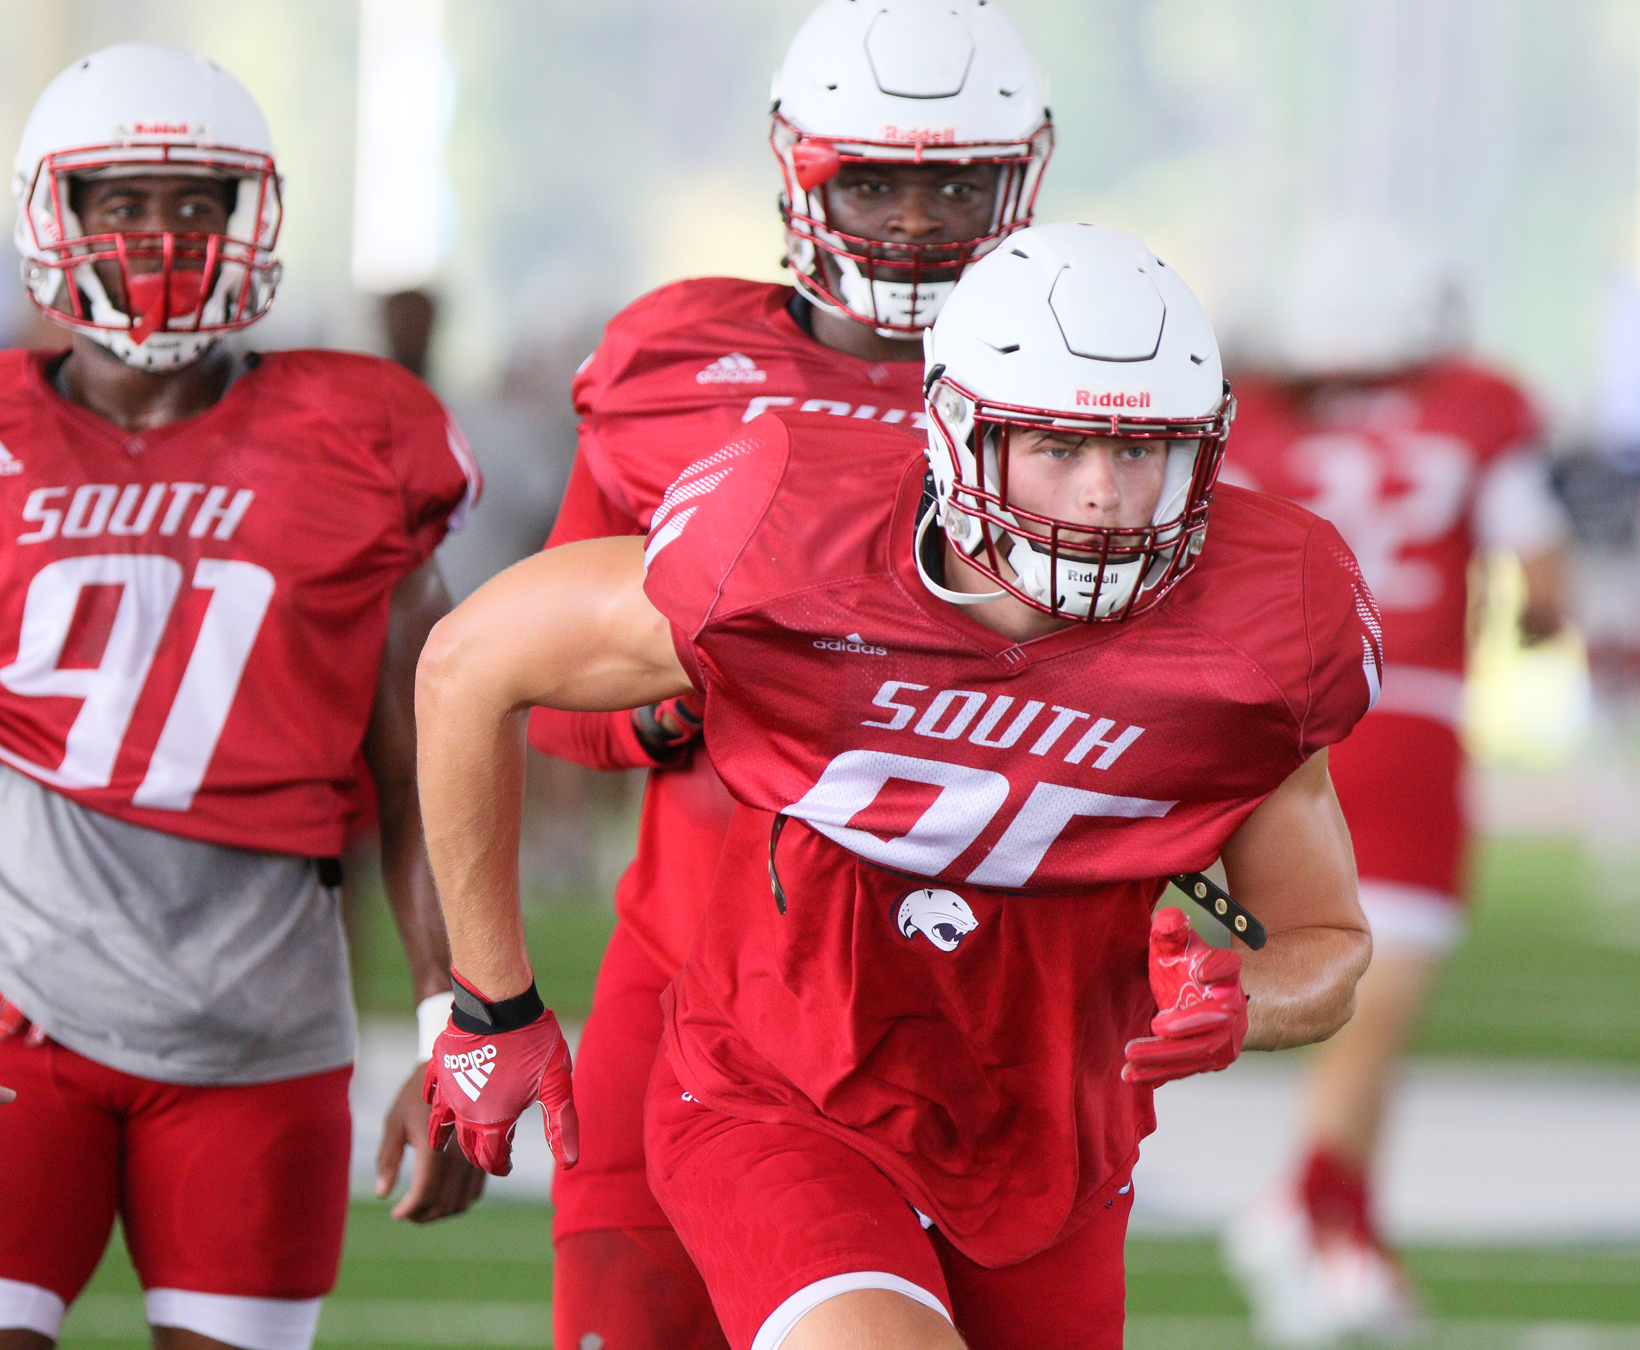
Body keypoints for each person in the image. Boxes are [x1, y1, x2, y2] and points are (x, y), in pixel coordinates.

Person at [417, 222, 1380, 1350]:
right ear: (960, 432)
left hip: (1051, 1145)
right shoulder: (794, 548)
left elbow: (1325, 939)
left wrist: (1239, 1000)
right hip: (780, 1092)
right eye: (1058, 447)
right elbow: (468, 662)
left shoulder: (1263, 627)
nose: (1109, 496)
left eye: (1142, 452)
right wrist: (491, 1002)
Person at [521, 4, 1054, 1345]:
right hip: (691, 969)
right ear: (802, 166)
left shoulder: (1087, 393)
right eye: (876, 178)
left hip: (976, 1013)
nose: (919, 219)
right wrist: (665, 706)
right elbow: (537, 691)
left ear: (1020, 177)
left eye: (956, 181)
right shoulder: (676, 364)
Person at [0, 45, 484, 1350]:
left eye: (196, 205)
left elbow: (428, 769)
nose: (164, 237)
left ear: (247, 219)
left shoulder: (357, 434)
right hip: (17, 1004)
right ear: (59, 217)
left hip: (258, 1025)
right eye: (124, 204)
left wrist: (459, 1023)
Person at [1220, 219, 1568, 1347]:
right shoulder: (1476, 409)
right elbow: (1544, 578)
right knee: (1382, 990)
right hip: (1404, 716)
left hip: (1276, 725)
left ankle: (1344, 1216)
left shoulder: (1251, 417)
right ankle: (1308, 1203)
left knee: (1348, 984)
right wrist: (1539, 623)